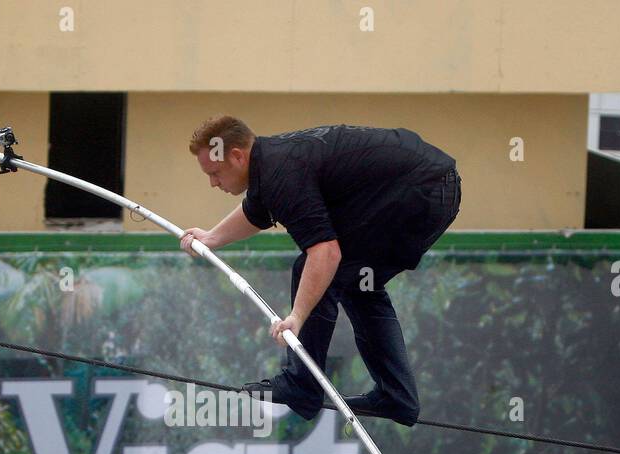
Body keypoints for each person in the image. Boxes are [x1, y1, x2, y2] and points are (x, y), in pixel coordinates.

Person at [181, 116, 461, 426]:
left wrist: (296, 319)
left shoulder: (279, 172)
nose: (213, 183)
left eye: (215, 173)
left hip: (422, 189)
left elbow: (325, 253)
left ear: (237, 155)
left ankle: (303, 384)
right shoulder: (271, 166)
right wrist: (211, 238)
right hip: (429, 186)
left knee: (317, 269)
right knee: (360, 285)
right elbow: (256, 212)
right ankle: (396, 396)